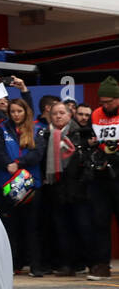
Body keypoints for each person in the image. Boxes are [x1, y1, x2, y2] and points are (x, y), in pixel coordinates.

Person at [0, 97, 45, 276]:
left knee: (32, 227)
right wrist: (8, 165)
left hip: (31, 185)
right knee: (10, 228)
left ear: (26, 112)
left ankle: (36, 266)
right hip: (7, 185)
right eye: (12, 111)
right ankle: (13, 265)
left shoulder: (37, 130)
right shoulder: (1, 130)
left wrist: (19, 163)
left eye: (19, 111)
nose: (15, 114)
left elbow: (38, 153)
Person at [41, 101, 92, 276]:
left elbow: (86, 162)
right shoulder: (46, 135)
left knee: (83, 227)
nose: (58, 116)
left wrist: (80, 184)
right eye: (55, 113)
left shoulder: (80, 133)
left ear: (70, 115)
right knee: (62, 230)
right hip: (56, 190)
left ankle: (90, 263)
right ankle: (66, 265)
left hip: (78, 190)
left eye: (62, 113)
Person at [88, 77, 119, 278]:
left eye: (109, 101)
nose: (105, 105)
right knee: (100, 219)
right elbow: (97, 138)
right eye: (103, 102)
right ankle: (102, 264)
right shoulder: (96, 114)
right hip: (101, 172)